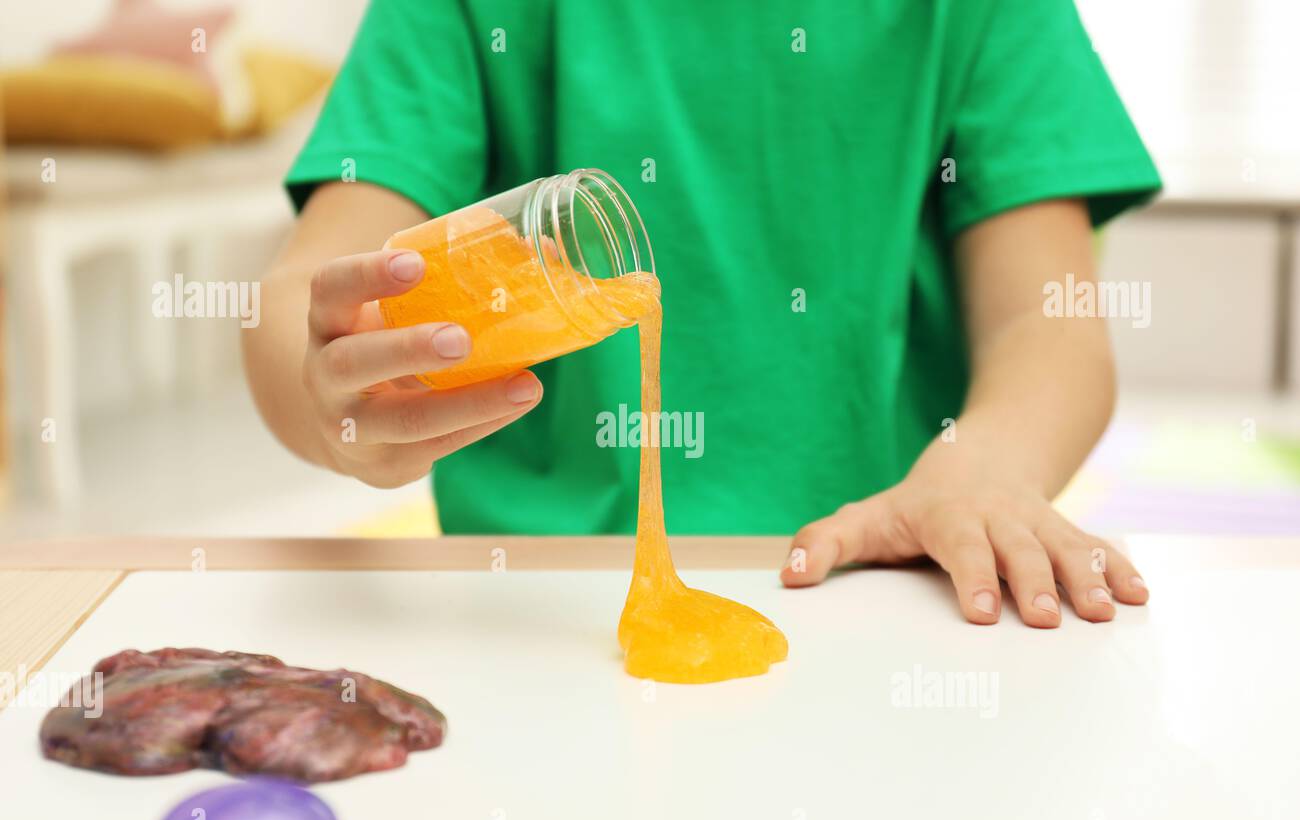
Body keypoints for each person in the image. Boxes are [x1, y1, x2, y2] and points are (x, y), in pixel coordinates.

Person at [244, 0, 1159, 627]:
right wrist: (328, 389)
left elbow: (1051, 326)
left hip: (883, 585)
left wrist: (987, 465)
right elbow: (309, 293)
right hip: (532, 607)